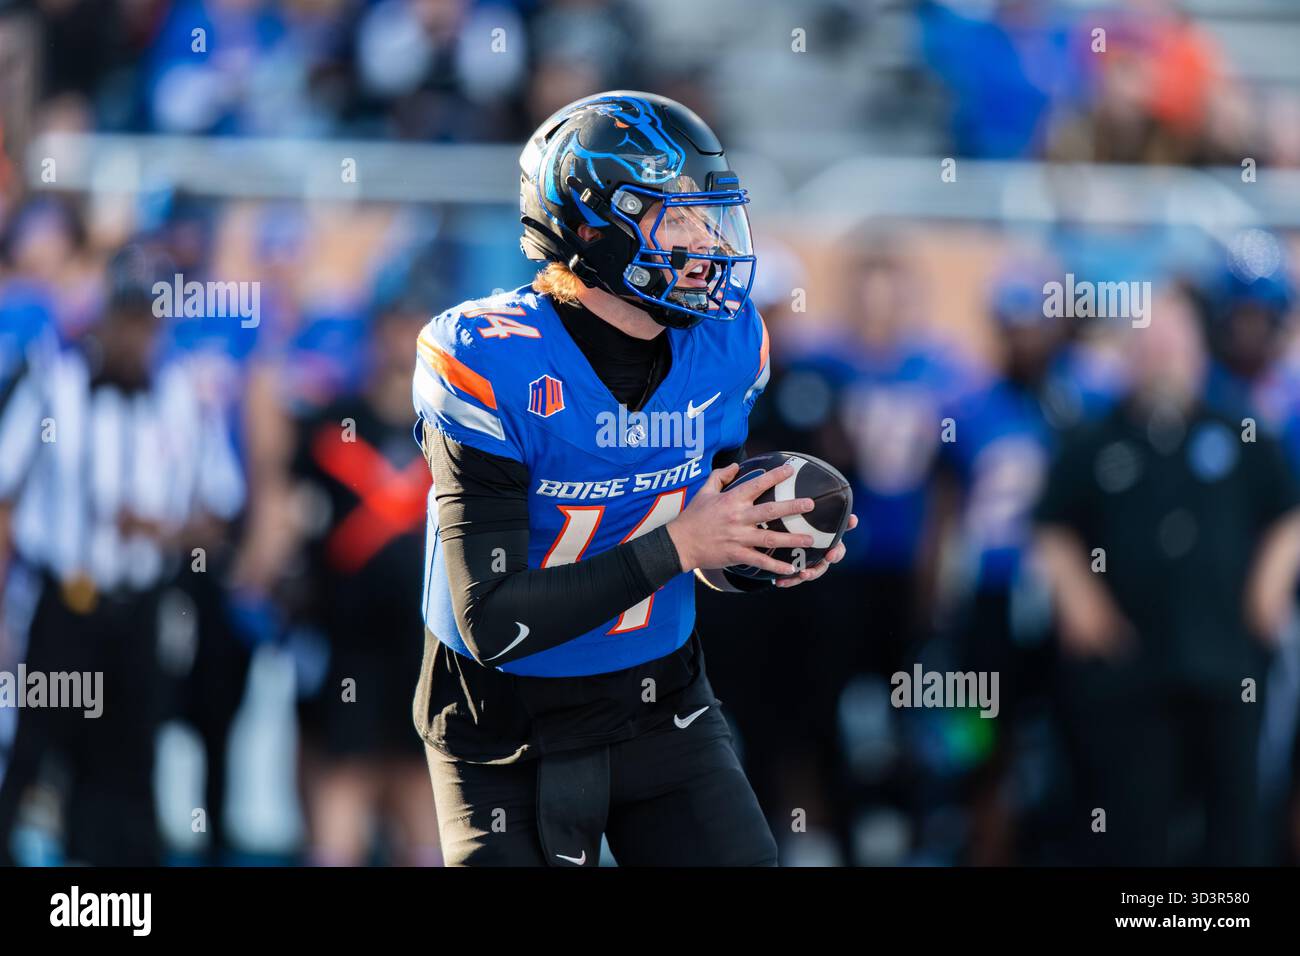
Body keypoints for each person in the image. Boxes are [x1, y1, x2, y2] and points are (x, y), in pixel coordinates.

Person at [411, 91, 855, 866]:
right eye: (675, 215)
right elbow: (493, 621)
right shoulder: (488, 357)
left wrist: (754, 549)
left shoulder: (726, 341)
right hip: (503, 723)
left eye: (706, 213)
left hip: (660, 702)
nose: (706, 239)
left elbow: (701, 539)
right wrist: (684, 545)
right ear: (593, 229)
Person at [1033, 289, 1300, 865]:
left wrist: (1271, 583)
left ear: (1199, 350)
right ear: (1129, 355)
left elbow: (1288, 513)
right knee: (1135, 822)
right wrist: (1078, 595)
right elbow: (1051, 524)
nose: (1161, 357)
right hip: (1131, 664)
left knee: (1237, 817)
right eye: (1148, 345)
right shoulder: (1094, 440)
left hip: (1229, 661)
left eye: (1173, 344)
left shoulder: (1241, 431)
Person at [0, 245, 244, 864]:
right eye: (127, 317)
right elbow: (5, 496)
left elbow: (219, 513)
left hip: (140, 612)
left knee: (131, 766)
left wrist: (161, 530)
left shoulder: (187, 396)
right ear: (104, 314)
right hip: (62, 605)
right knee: (28, 756)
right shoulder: (51, 382)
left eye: (149, 321)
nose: (136, 335)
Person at [291, 296, 442, 866]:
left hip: (425, 641)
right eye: (394, 325)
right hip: (347, 639)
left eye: (415, 326)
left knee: (419, 781)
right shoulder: (334, 421)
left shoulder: (451, 423)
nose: (402, 339)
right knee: (343, 780)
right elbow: (287, 512)